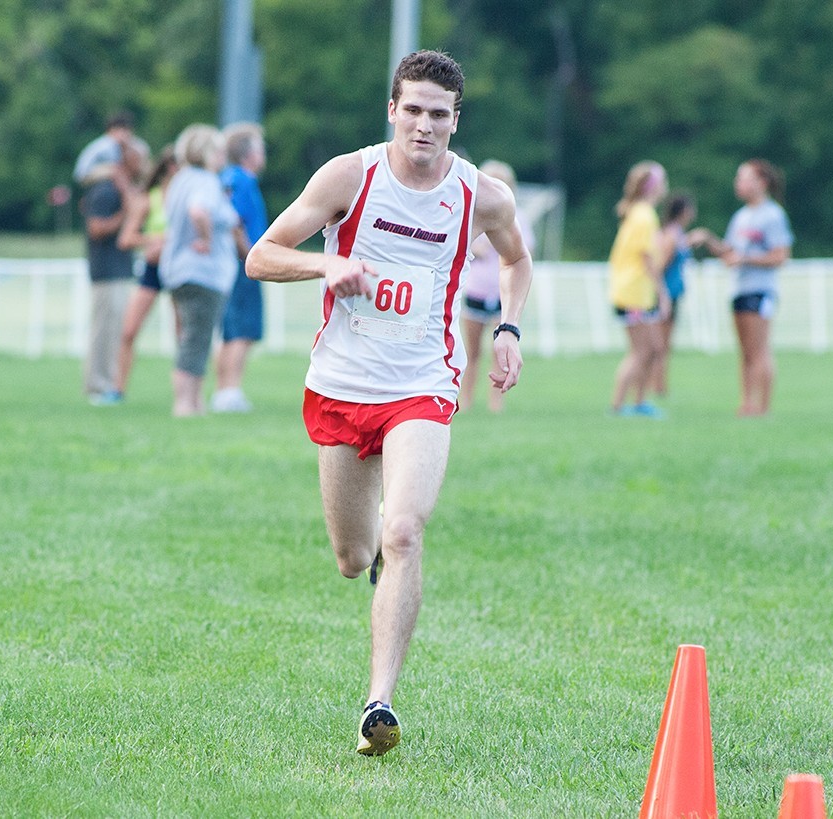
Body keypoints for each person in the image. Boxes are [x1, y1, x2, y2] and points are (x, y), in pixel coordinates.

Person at [245, 50, 533, 756]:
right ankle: (372, 559)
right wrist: (327, 261)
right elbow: (260, 255)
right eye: (414, 110)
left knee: (405, 528)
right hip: (342, 384)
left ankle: (379, 702)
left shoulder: (482, 194)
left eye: (440, 114)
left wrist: (508, 328)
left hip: (422, 385)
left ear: (456, 120)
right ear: (392, 111)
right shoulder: (351, 176)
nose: (425, 126)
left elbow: (517, 259)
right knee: (353, 555)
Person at [158, 124, 247, 417]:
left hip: (177, 270)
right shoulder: (206, 182)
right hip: (202, 273)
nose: (222, 156)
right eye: (218, 150)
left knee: (192, 336)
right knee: (196, 339)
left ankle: (194, 401)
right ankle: (185, 404)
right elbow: (199, 211)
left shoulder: (180, 179)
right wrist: (206, 240)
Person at [697, 159, 793, 417]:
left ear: (761, 183)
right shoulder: (740, 217)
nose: (738, 183)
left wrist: (747, 259)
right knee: (746, 351)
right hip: (739, 289)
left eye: (744, 178)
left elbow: (781, 255)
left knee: (759, 348)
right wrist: (707, 239)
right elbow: (730, 252)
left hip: (760, 290)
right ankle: (746, 403)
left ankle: (764, 406)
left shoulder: (772, 215)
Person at [458, 159, 533, 412]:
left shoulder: (516, 216)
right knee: (472, 351)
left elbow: (524, 255)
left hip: (502, 292)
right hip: (476, 289)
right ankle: (465, 398)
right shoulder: (470, 214)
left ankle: (496, 401)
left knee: (500, 349)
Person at [79, 137, 148, 405]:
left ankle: (107, 382)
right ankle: (97, 385)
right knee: (104, 330)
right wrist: (126, 215)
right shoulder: (105, 191)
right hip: (106, 271)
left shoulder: (120, 190)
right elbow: (96, 229)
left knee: (114, 329)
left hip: (118, 270)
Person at [212, 122, 269, 413]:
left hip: (229, 264)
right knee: (241, 330)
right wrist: (250, 255)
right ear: (248, 153)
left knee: (230, 329)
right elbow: (234, 220)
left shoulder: (227, 178)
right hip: (240, 265)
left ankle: (224, 390)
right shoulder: (241, 180)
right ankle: (229, 390)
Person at [115, 144, 179, 398]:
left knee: (183, 336)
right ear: (171, 168)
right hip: (152, 269)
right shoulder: (148, 200)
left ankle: (183, 393)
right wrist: (153, 240)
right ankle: (117, 389)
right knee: (129, 331)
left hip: (178, 270)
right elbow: (126, 238)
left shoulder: (187, 198)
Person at [607, 160, 670, 418]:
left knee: (654, 348)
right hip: (632, 293)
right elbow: (646, 259)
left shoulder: (637, 212)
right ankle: (618, 405)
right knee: (641, 350)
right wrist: (663, 292)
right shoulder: (645, 215)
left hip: (636, 293)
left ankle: (639, 401)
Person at [649, 192, 699, 398]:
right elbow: (661, 265)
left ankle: (660, 385)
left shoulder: (677, 233)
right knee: (660, 344)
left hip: (674, 293)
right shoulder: (671, 235)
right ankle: (657, 387)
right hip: (667, 294)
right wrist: (662, 295)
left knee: (665, 344)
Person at [73, 111, 135, 186]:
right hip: (85, 173)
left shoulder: (104, 142)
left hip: (89, 173)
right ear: (113, 130)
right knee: (118, 171)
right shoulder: (109, 144)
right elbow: (116, 165)